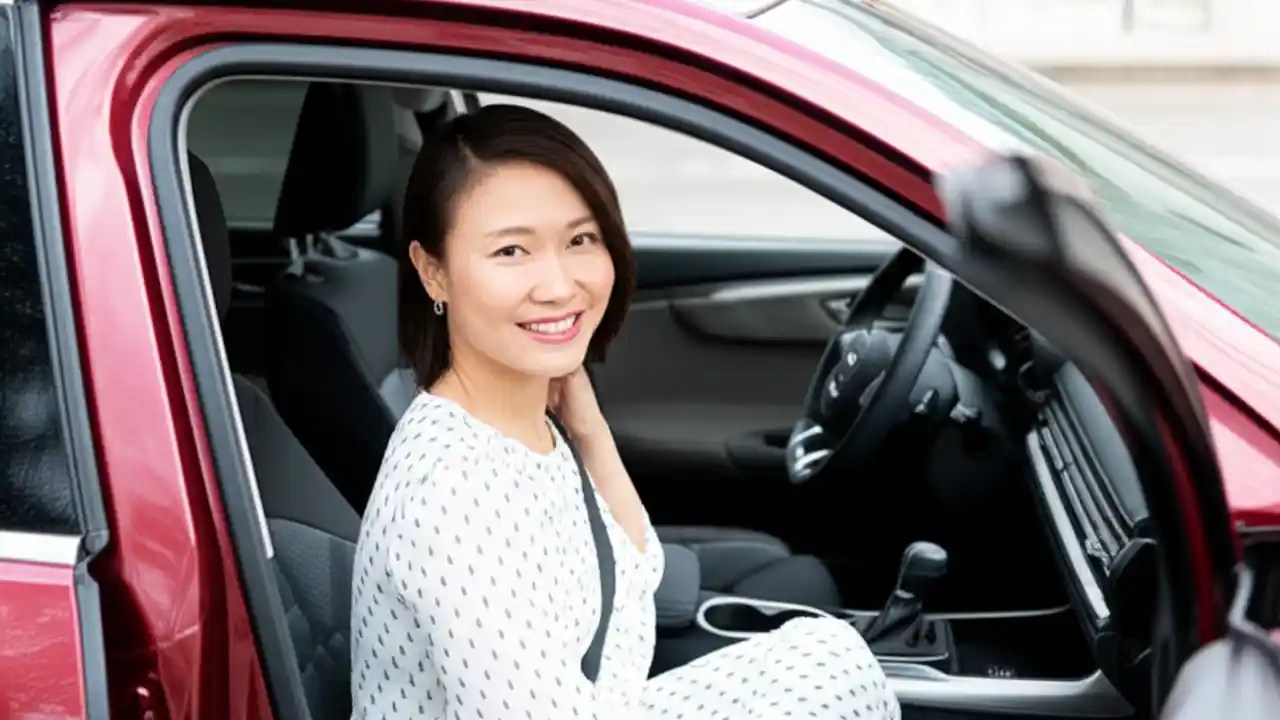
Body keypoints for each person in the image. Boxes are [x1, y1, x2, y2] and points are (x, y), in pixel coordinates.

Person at [349, 102, 900, 720]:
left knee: (829, 654)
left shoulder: (523, 419)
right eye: (511, 252)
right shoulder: (450, 492)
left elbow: (636, 569)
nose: (559, 285)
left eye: (580, 240)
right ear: (434, 273)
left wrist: (588, 430)